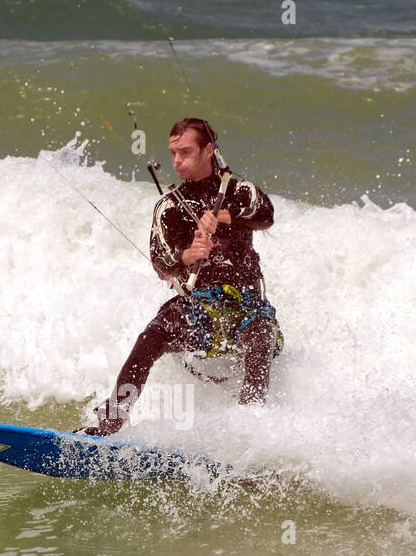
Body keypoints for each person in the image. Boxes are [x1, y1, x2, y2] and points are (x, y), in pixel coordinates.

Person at [79, 118, 283, 436]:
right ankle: (110, 422)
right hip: (198, 306)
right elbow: (161, 263)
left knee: (262, 336)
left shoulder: (240, 191)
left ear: (209, 151)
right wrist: (188, 255)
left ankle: (250, 431)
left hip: (246, 305)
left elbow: (266, 216)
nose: (177, 161)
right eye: (173, 153)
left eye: (185, 152)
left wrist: (224, 217)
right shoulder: (169, 207)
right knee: (151, 338)